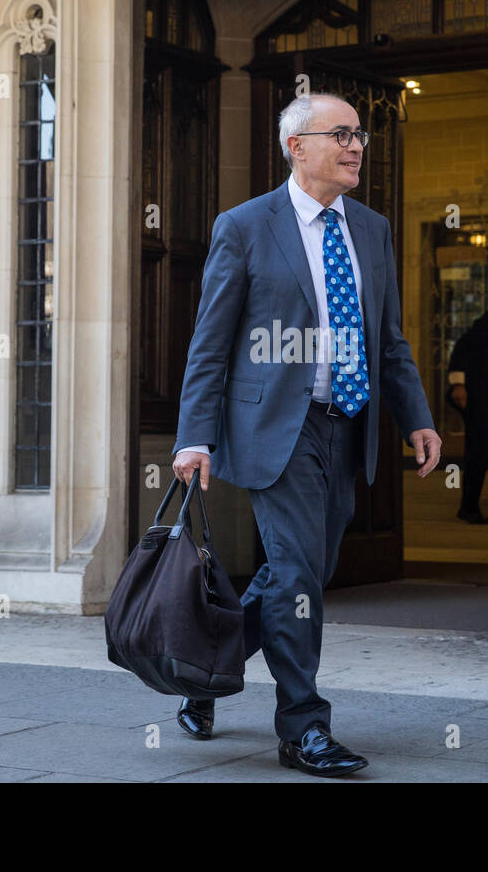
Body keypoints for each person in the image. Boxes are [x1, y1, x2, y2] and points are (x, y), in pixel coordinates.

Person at [171, 93, 441, 777]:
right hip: (276, 429)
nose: (356, 147)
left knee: (305, 572)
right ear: (297, 146)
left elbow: (388, 339)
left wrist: (416, 416)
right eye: (341, 134)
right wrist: (193, 436)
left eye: (360, 136)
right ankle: (302, 728)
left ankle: (203, 674)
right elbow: (210, 342)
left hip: (345, 427)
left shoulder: (372, 230)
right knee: (295, 573)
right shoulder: (245, 225)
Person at [446, 304, 488, 523]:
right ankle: (468, 507)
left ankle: (471, 507)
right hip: (481, 396)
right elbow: (463, 346)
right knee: (480, 453)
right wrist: (459, 384)